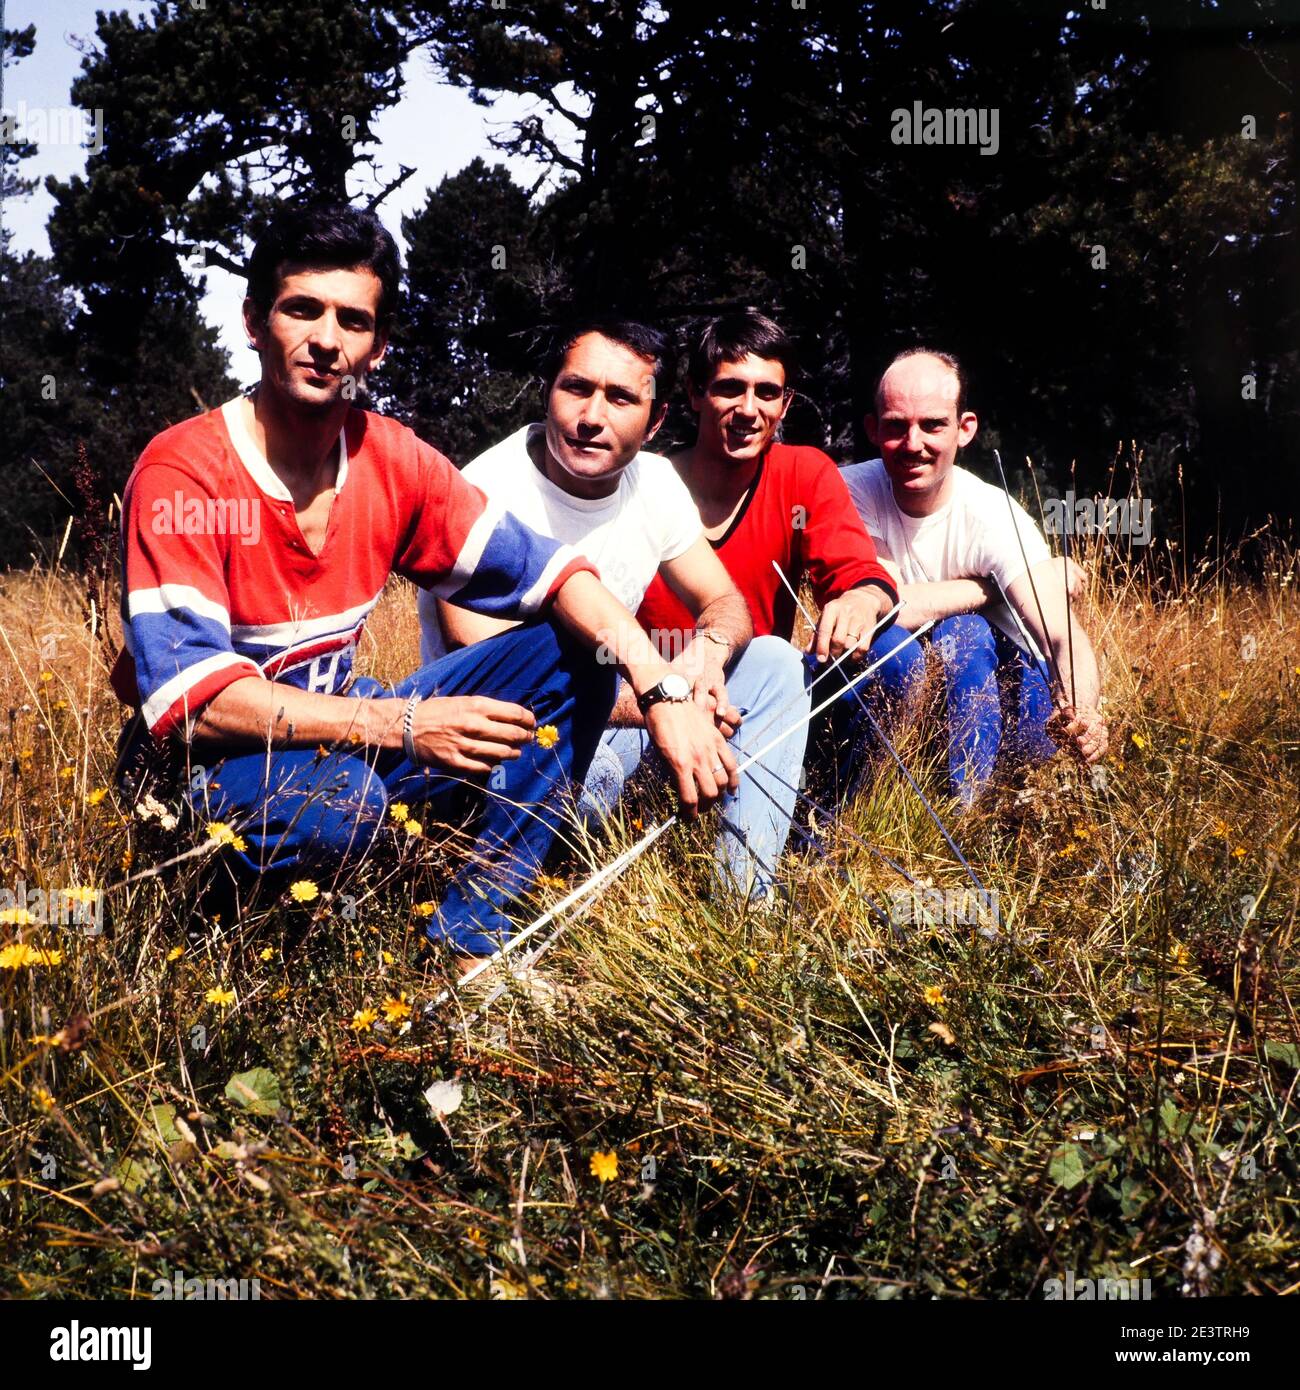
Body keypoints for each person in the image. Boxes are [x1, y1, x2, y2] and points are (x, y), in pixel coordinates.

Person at [111, 203, 732, 972]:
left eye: (353, 320)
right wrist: (403, 724)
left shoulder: (386, 458)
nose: (326, 341)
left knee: (575, 649)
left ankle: (471, 943)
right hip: (205, 773)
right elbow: (197, 707)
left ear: (379, 343)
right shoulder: (187, 472)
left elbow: (556, 572)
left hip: (343, 737)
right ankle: (236, 949)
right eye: (300, 309)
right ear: (253, 320)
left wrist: (662, 687)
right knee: (345, 807)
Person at [421, 317, 811, 901]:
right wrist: (665, 703)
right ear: (547, 392)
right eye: (577, 388)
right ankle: (517, 909)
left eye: (621, 398)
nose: (591, 418)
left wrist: (704, 663)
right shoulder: (484, 490)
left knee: (775, 662)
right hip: (507, 753)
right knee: (589, 756)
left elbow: (725, 601)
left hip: (619, 721)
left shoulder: (653, 483)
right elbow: (491, 669)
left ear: (654, 423)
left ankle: (743, 906)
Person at [634, 309, 899, 852]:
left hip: (754, 695)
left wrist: (861, 598)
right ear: (694, 393)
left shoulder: (802, 473)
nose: (748, 410)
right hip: (647, 704)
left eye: (766, 392)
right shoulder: (642, 484)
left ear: (786, 403)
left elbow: (857, 571)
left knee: (882, 653)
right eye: (729, 388)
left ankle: (806, 844)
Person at [836, 347, 1109, 804]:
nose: (913, 443)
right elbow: (885, 604)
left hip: (1013, 688)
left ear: (965, 430)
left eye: (933, 425)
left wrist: (1084, 712)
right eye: (896, 426)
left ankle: (973, 814)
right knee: (888, 646)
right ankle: (863, 807)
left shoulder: (993, 516)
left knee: (965, 634)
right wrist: (987, 589)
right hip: (917, 690)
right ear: (872, 429)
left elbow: (1062, 634)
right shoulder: (851, 490)